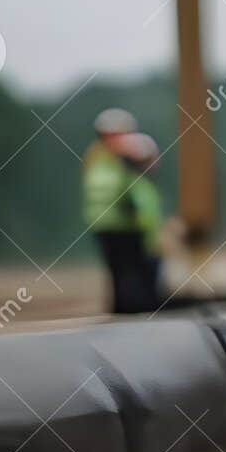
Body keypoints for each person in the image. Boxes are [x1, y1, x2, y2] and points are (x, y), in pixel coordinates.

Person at [81, 108, 155, 313]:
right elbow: (143, 179)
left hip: (106, 223)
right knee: (127, 271)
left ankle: (123, 309)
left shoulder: (94, 157)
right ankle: (128, 310)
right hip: (121, 224)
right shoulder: (118, 156)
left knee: (121, 272)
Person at [115, 132, 164, 312]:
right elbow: (146, 218)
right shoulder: (137, 186)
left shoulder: (135, 184)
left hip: (144, 243)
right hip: (143, 244)